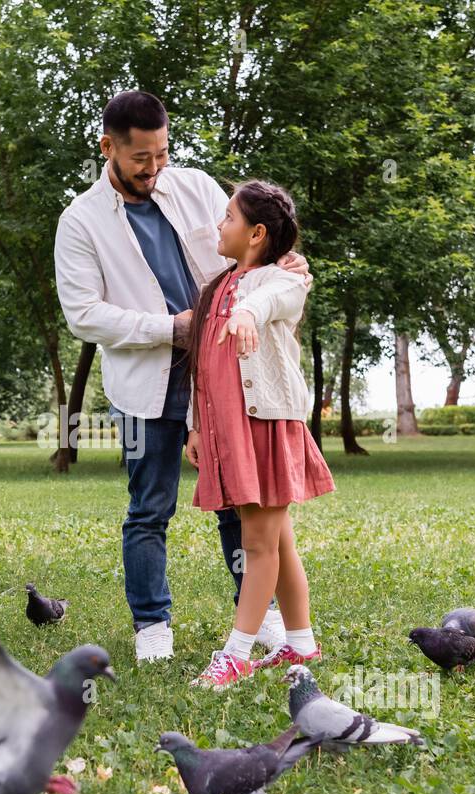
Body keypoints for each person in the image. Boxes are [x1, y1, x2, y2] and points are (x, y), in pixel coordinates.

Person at [55, 91, 312, 663]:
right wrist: (169, 328)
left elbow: (250, 247)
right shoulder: (80, 222)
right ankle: (152, 625)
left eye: (162, 153)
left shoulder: (195, 186)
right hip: (145, 382)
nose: (155, 168)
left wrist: (283, 266)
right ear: (108, 148)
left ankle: (262, 613)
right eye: (142, 158)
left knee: (237, 502)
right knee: (149, 507)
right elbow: (83, 315)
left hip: (223, 378)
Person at [184, 180, 336, 689]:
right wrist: (197, 426)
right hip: (232, 430)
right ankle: (301, 641)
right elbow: (203, 366)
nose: (218, 225)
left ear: (257, 233)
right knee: (279, 540)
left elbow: (273, 298)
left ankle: (237, 654)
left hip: (267, 426)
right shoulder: (218, 287)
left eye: (228, 217)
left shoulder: (285, 280)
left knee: (258, 544)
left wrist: (248, 311)